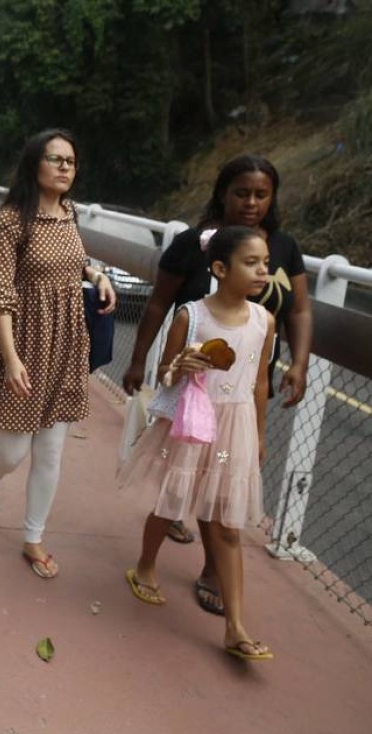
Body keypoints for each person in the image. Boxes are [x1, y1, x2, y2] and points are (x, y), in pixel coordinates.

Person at [121, 155, 313, 614]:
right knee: (186, 483)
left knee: (224, 488)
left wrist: (299, 363)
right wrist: (140, 359)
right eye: (241, 192)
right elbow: (159, 303)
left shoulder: (283, 250)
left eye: (261, 194)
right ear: (222, 193)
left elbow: (299, 309)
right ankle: (156, 555)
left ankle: (214, 572)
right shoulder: (193, 245)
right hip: (194, 398)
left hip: (243, 398)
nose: (251, 202)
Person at [121, 225, 276, 660]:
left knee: (227, 523)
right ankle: (146, 565)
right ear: (221, 268)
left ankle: (236, 627)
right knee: (172, 500)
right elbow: (165, 375)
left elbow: (261, 381)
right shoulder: (192, 316)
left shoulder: (264, 320)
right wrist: (180, 365)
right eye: (252, 263)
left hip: (235, 430)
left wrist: (260, 434)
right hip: (192, 425)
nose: (263, 271)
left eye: (265, 263)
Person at [0, 128, 116, 579]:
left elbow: (74, 260)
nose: (65, 168)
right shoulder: (12, 220)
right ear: (35, 164)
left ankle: (33, 537)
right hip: (26, 342)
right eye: (55, 159)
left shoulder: (68, 212)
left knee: (51, 451)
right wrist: (11, 358)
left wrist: (97, 273)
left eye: (70, 161)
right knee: (13, 451)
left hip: (67, 342)